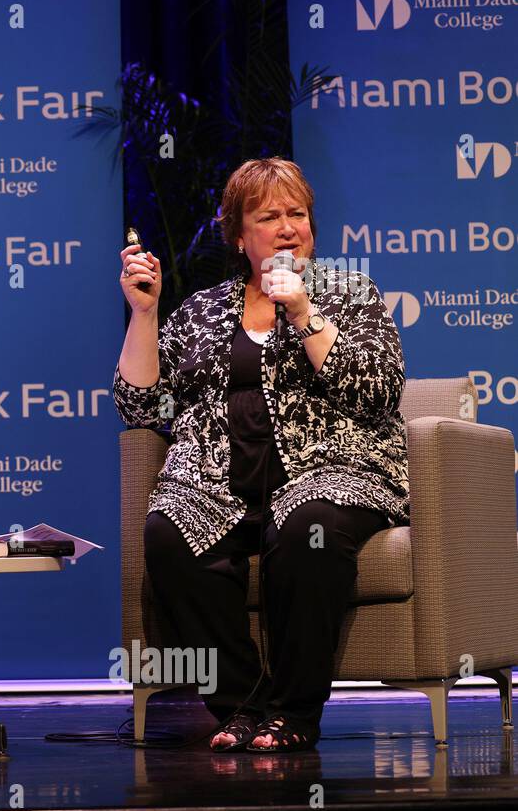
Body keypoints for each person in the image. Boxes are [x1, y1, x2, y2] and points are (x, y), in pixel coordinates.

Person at [112, 157, 410, 753]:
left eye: (297, 214)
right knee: (170, 533)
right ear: (239, 236)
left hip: (334, 475)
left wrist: (303, 312)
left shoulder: (350, 293)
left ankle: (294, 712)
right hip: (220, 484)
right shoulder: (202, 310)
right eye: (269, 217)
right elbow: (142, 407)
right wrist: (145, 314)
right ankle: (241, 705)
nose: (288, 228)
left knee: (307, 528)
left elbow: (377, 391)